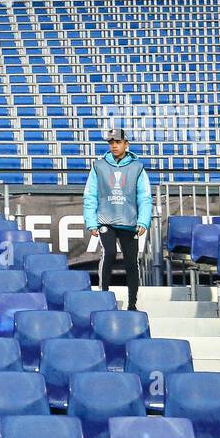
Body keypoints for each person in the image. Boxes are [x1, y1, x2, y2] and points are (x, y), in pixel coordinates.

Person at [83, 128, 151, 312]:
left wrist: (143, 221)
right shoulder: (99, 166)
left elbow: (144, 196)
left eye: (118, 142)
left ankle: (132, 304)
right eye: (111, 142)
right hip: (106, 220)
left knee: (131, 262)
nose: (114, 145)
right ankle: (104, 296)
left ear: (126, 144)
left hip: (129, 222)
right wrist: (91, 222)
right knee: (110, 253)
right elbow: (90, 195)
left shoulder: (137, 166)